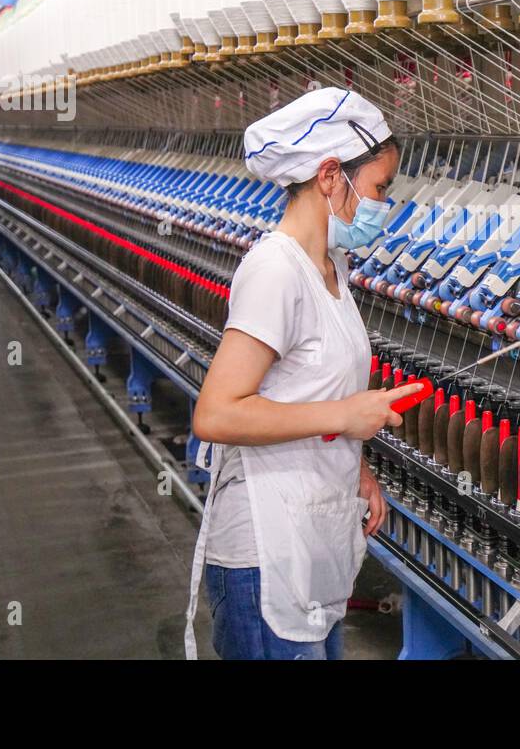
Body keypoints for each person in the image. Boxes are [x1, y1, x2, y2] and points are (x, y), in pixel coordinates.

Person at [184, 87, 420, 660]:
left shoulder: (331, 269)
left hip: (311, 535)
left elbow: (309, 388)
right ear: (330, 174)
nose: (384, 204)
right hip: (263, 553)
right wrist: (347, 415)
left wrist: (357, 467)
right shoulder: (275, 270)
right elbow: (216, 413)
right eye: (379, 188)